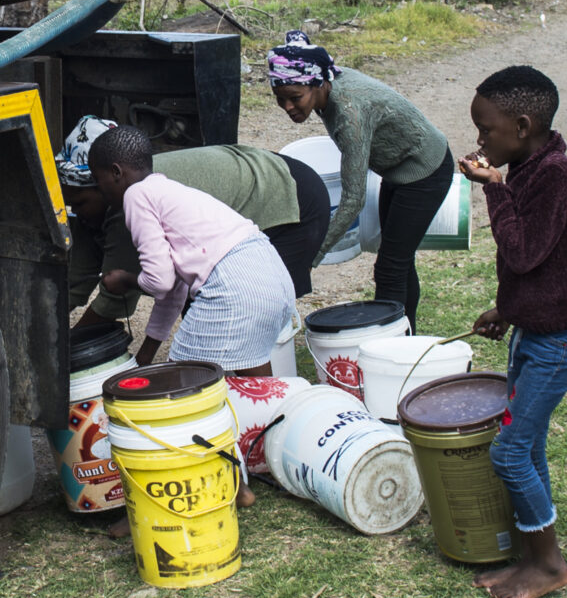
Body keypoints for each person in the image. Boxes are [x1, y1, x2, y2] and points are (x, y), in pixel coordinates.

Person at [458, 65, 567, 598]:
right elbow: (537, 266)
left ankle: (549, 564)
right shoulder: (526, 164)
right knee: (528, 444)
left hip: (561, 340)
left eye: (486, 129)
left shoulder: (554, 174)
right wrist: (508, 308)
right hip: (536, 329)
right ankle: (534, 554)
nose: (479, 140)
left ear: (521, 125)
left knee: (510, 452)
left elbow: (522, 249)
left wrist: (493, 189)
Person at [56, 118, 332, 330]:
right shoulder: (113, 190)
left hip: (289, 196)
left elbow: (115, 301)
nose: (77, 212)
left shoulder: (132, 199)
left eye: (80, 204)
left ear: (108, 181)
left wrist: (66, 352)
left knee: (242, 317)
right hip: (269, 175)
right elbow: (78, 278)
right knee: (208, 315)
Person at [267, 30, 455, 332]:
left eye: (294, 98)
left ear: (317, 84)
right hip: (397, 169)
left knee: (390, 267)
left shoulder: (349, 114)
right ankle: (407, 336)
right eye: (280, 99)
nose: (288, 107)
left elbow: (353, 200)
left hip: (425, 170)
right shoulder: (328, 82)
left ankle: (389, 347)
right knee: (399, 260)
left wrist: (310, 256)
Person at [87, 124, 295, 376]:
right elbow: (174, 291)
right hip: (271, 274)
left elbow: (160, 281)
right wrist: (144, 359)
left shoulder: (136, 195)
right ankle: (270, 414)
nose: (101, 191)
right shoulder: (168, 191)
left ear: (116, 172)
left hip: (234, 286)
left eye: (99, 181)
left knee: (182, 383)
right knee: (256, 386)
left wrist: (126, 280)